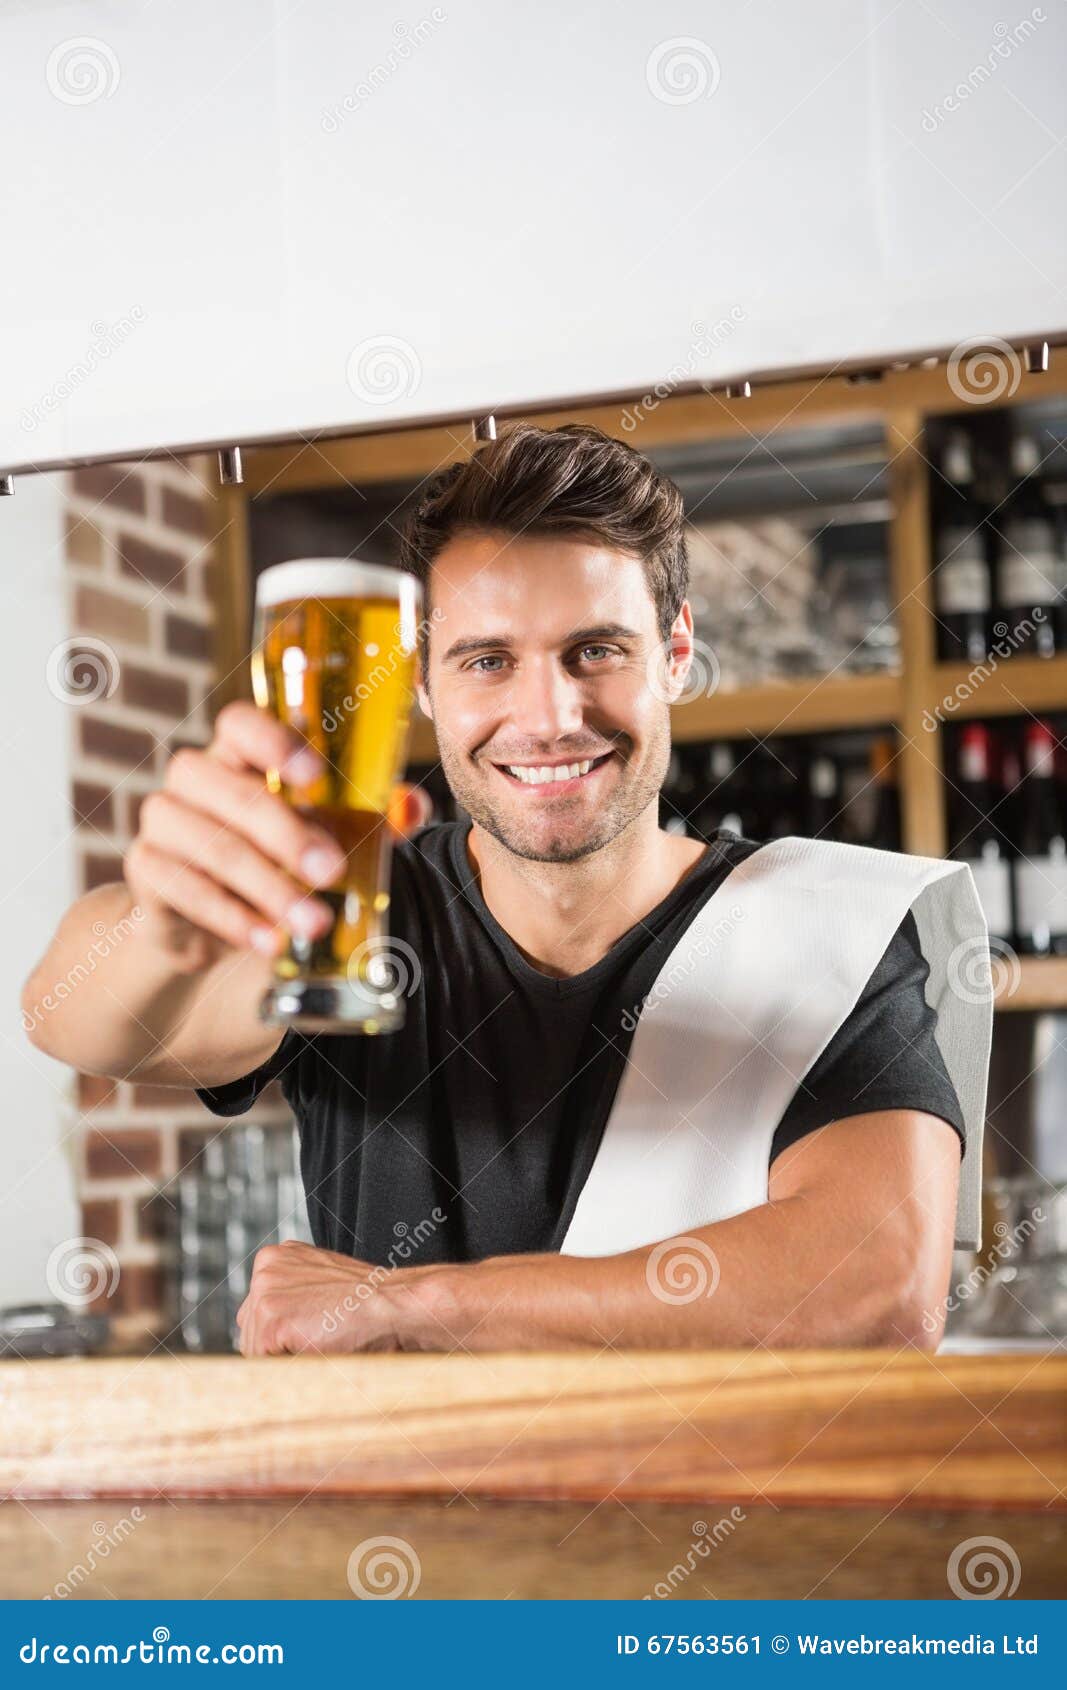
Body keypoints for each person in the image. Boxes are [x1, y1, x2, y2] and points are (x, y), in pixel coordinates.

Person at [23, 423, 990, 1356]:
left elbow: (876, 1292)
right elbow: (67, 1018)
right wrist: (170, 925)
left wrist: (410, 1306)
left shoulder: (828, 931)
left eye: (596, 650)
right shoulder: (357, 913)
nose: (549, 715)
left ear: (675, 655)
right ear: (424, 686)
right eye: (488, 661)